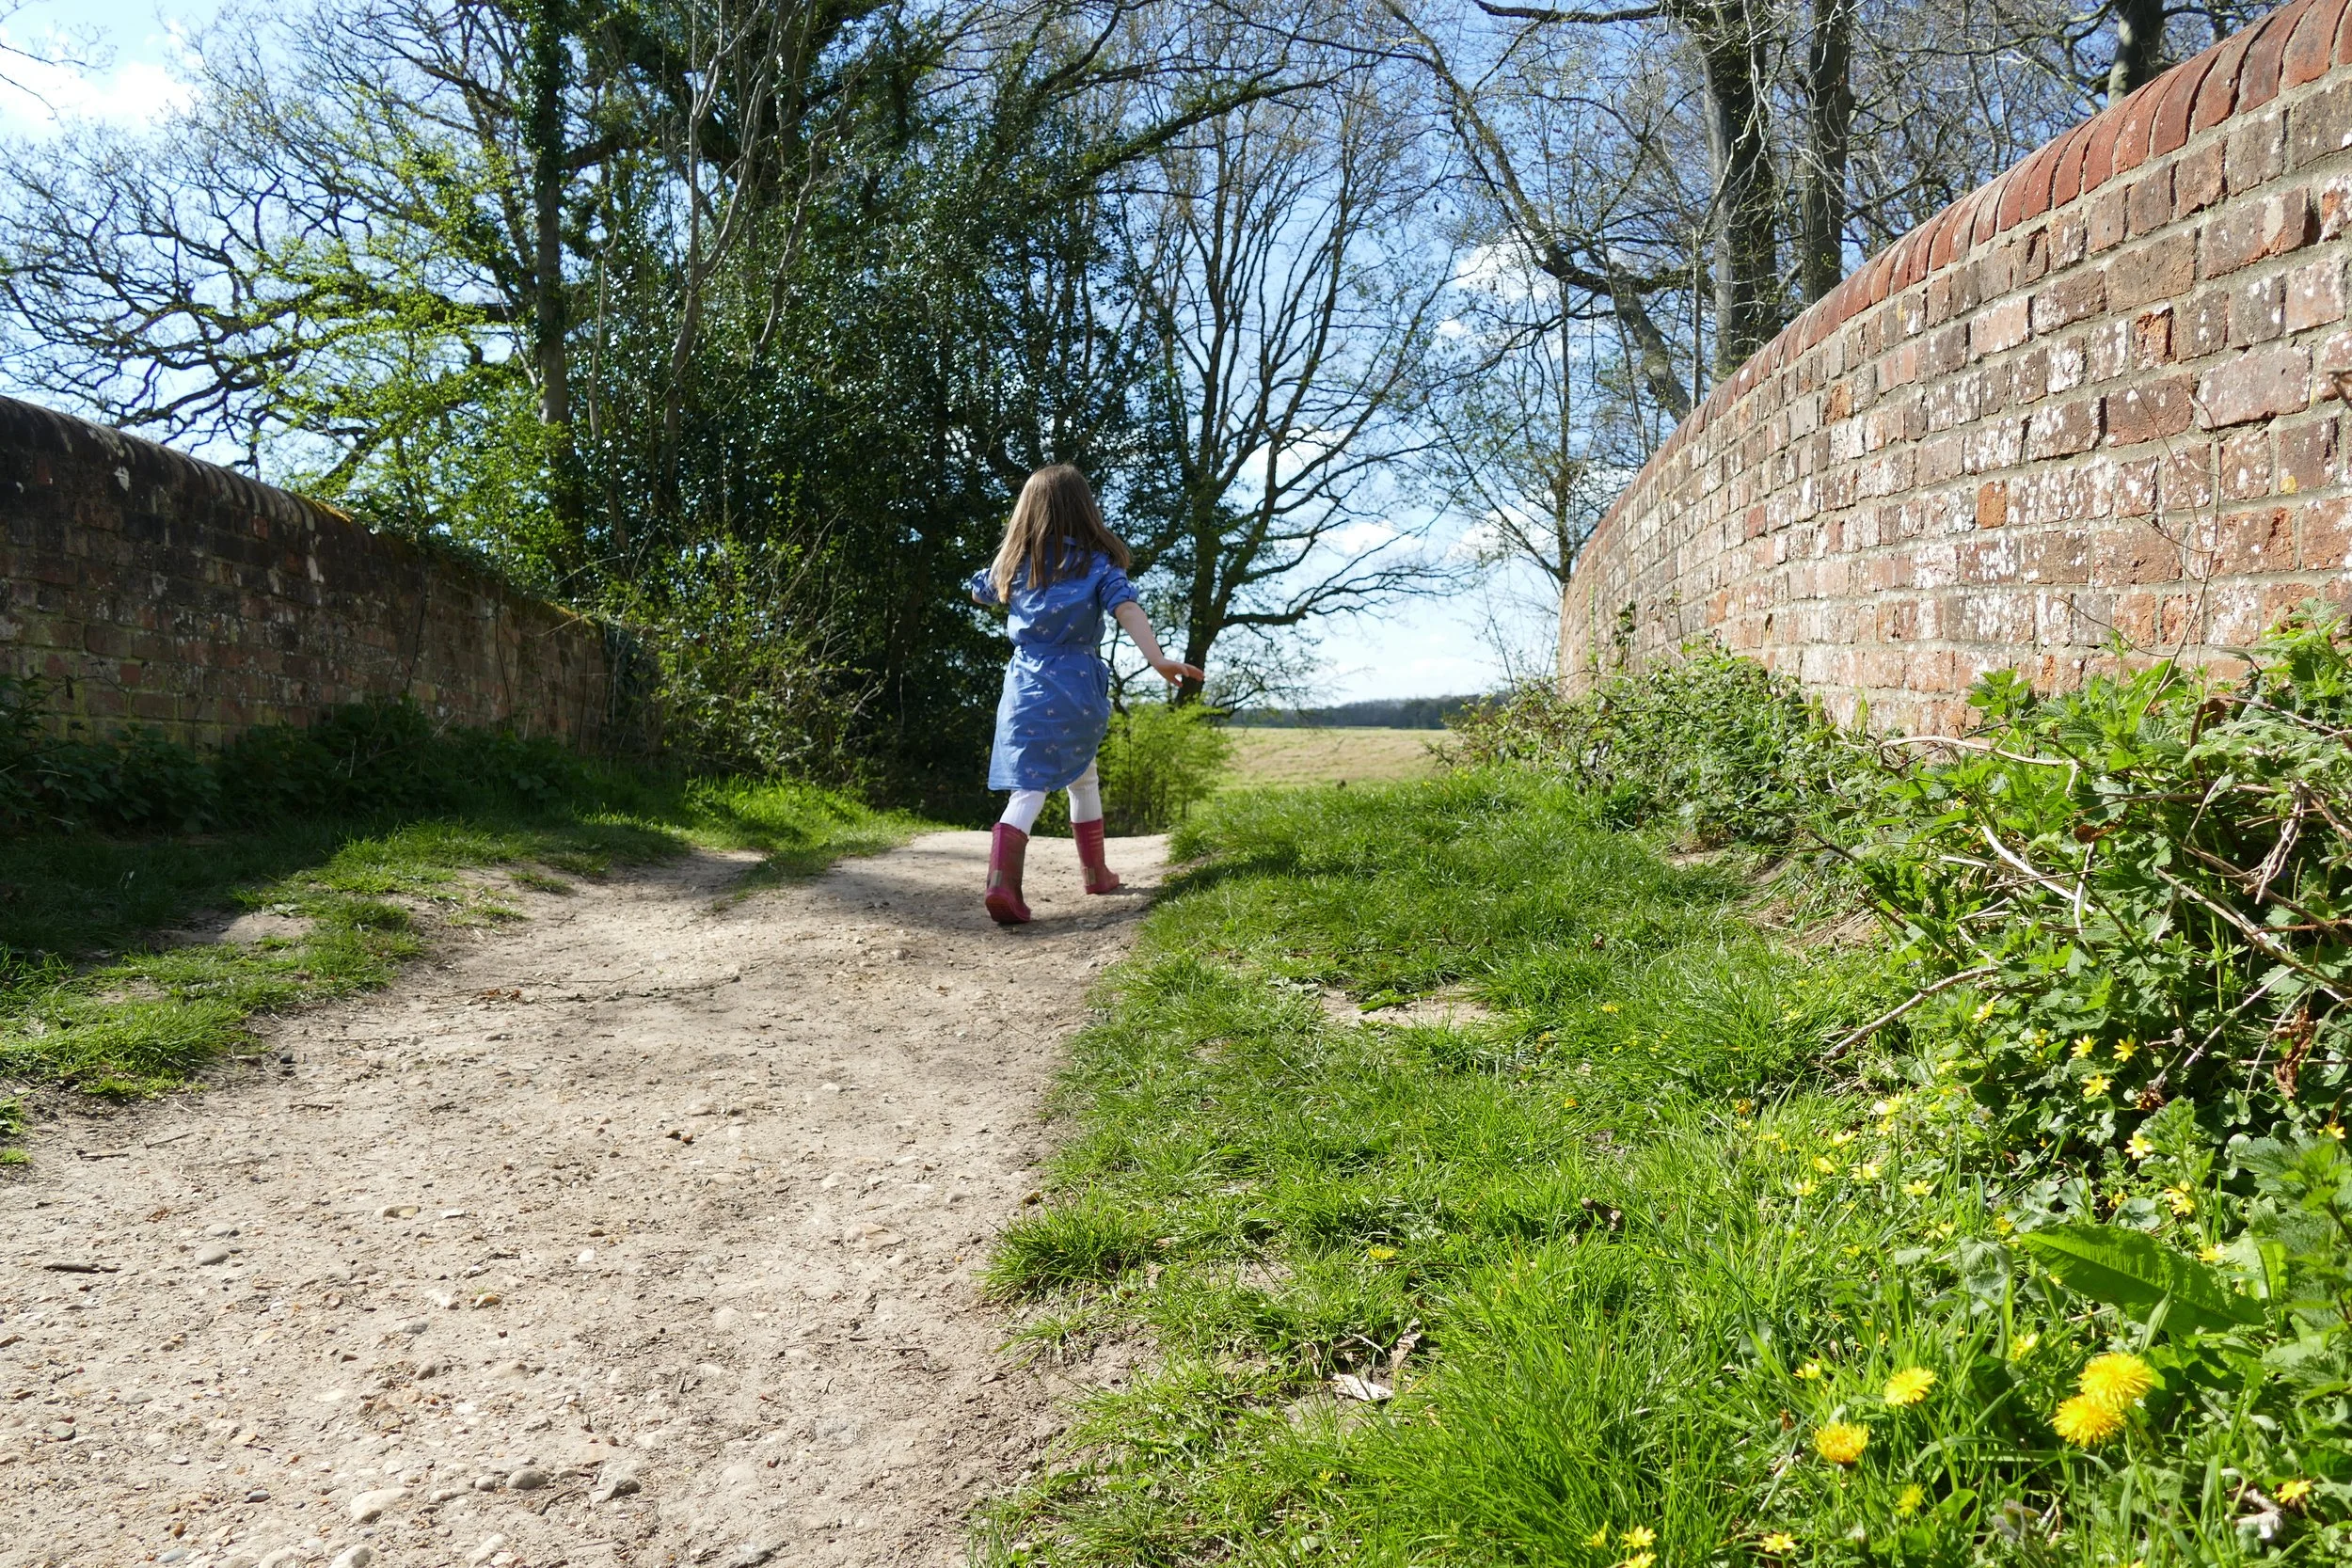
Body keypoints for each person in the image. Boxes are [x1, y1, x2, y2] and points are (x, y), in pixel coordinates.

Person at [967, 465, 1203, 925]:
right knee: (1083, 774)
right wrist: (1157, 659)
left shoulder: (1014, 565)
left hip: (1024, 687)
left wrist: (1012, 578)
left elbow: (981, 592)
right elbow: (1127, 608)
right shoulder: (1096, 565)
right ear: (1085, 510)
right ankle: (1092, 872)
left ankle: (1004, 881)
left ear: (1027, 513)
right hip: (1076, 686)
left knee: (1029, 786)